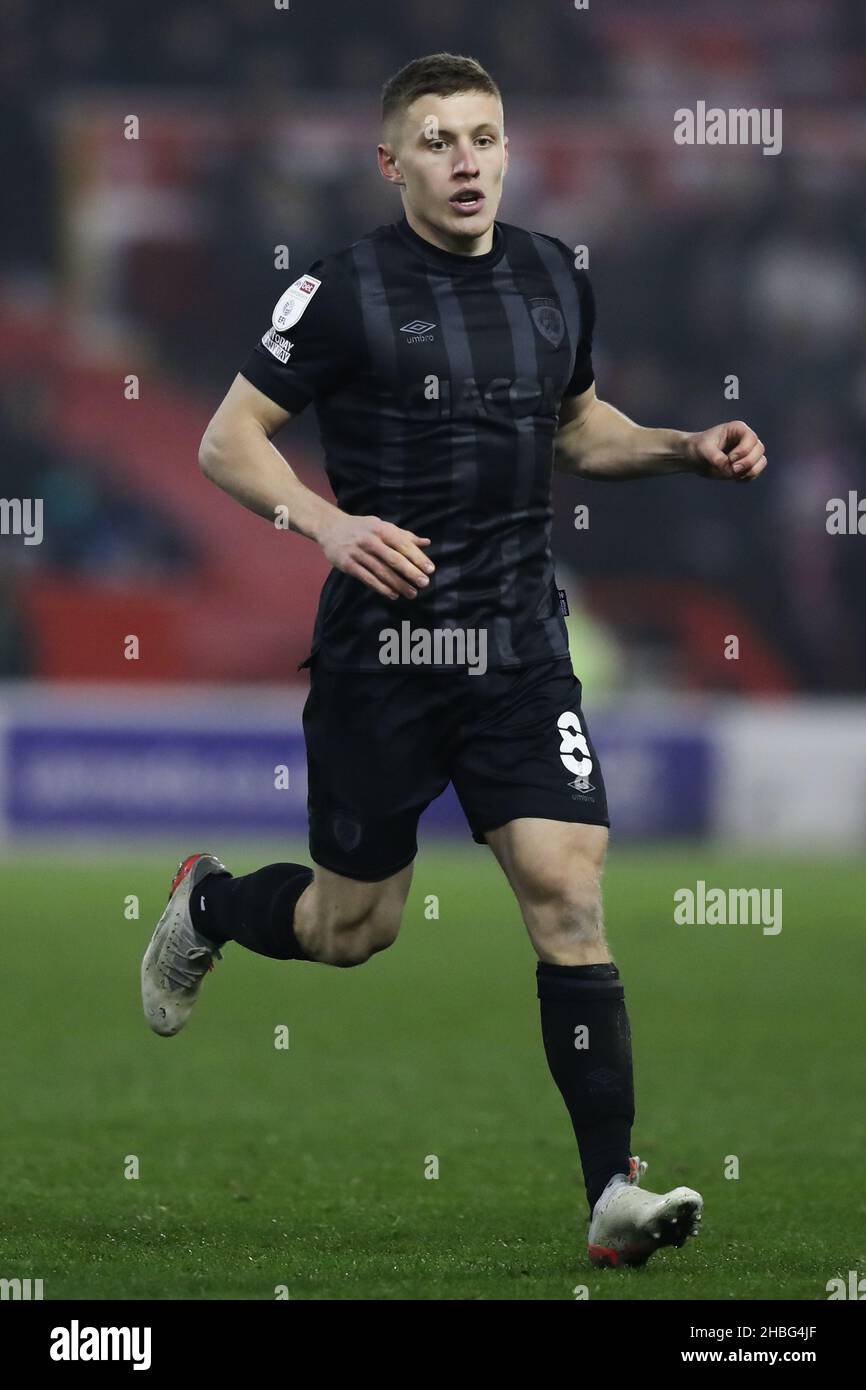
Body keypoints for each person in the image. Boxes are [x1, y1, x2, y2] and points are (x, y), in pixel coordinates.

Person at [141, 52, 766, 1268]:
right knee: (351, 928)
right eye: (436, 139)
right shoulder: (339, 290)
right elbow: (228, 442)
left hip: (519, 647)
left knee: (567, 893)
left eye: (482, 135)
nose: (465, 158)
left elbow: (581, 427)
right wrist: (330, 524)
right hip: (384, 655)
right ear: (392, 161)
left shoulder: (549, 275)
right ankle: (208, 902)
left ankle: (610, 1196)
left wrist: (686, 446)